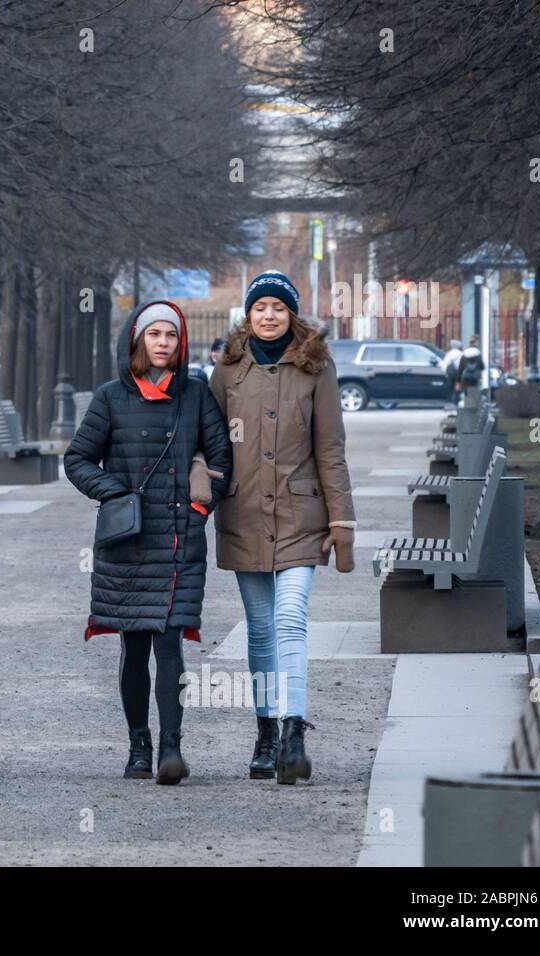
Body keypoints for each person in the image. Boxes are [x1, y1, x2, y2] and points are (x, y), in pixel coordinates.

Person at [64, 300, 233, 784]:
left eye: (171, 336)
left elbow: (221, 458)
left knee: (171, 645)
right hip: (128, 541)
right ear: (138, 340)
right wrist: (114, 493)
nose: (163, 343)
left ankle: (171, 749)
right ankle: (139, 745)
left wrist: (202, 506)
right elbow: (77, 459)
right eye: (154, 334)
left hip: (179, 540)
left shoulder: (197, 396)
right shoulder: (110, 397)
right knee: (134, 648)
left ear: (181, 344)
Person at [209, 271, 356, 785]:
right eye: (259, 307)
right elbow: (212, 447)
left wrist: (342, 521)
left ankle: (294, 732)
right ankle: (265, 732)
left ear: (291, 313)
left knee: (291, 619)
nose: (268, 315)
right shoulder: (227, 371)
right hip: (244, 515)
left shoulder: (315, 366)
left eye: (277, 307)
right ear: (247, 315)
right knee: (261, 629)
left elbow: (330, 449)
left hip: (300, 516)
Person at [456, 334, 486, 407]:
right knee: (475, 394)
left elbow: (460, 369)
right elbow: (482, 367)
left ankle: (467, 409)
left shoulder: (464, 354)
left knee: (466, 395)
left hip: (466, 378)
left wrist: (458, 381)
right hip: (475, 378)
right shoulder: (478, 354)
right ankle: (474, 410)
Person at [442, 338, 463, 405]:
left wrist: (446, 373)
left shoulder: (449, 354)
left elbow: (445, 364)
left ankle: (449, 403)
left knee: (450, 388)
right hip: (458, 374)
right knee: (457, 389)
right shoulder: (461, 354)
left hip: (450, 374)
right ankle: (456, 402)